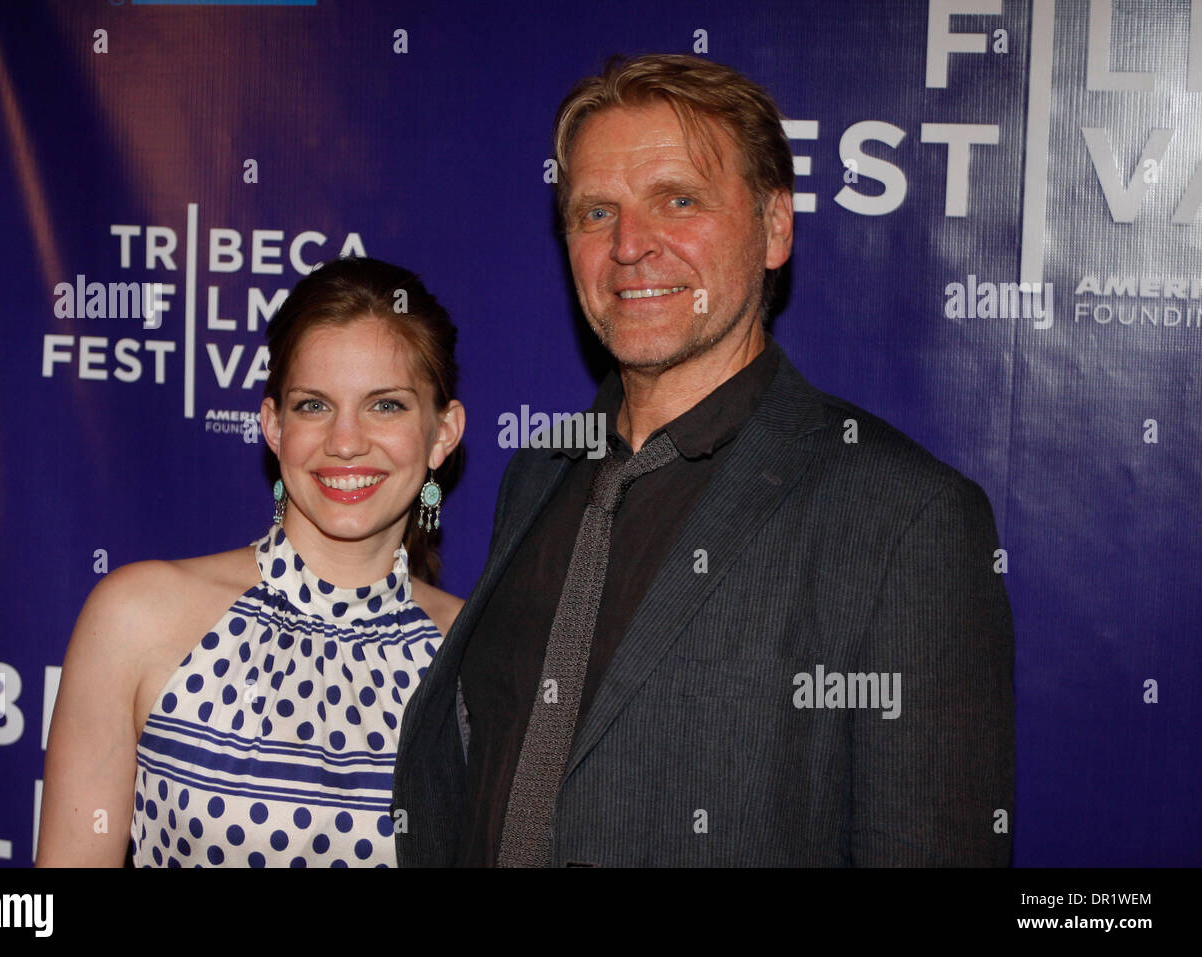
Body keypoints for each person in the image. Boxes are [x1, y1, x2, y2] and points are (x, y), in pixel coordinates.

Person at [393, 54, 1014, 867]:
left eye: (677, 201)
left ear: (776, 227)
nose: (629, 246)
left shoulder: (906, 521)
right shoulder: (539, 472)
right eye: (595, 212)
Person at [38, 256, 465, 867]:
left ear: (442, 434)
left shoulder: (476, 652)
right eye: (314, 405)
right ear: (272, 425)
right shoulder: (138, 617)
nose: (345, 441)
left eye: (386, 405)